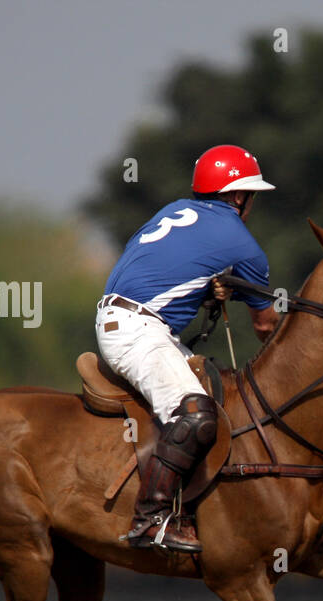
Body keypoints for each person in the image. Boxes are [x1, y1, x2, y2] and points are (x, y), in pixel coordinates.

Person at [97, 145, 278, 553]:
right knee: (196, 416)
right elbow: (267, 325)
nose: (251, 206)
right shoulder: (242, 243)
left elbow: (162, 271)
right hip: (136, 330)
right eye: (251, 197)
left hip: (130, 320)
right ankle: (150, 520)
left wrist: (207, 293)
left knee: (216, 401)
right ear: (238, 196)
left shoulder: (173, 210)